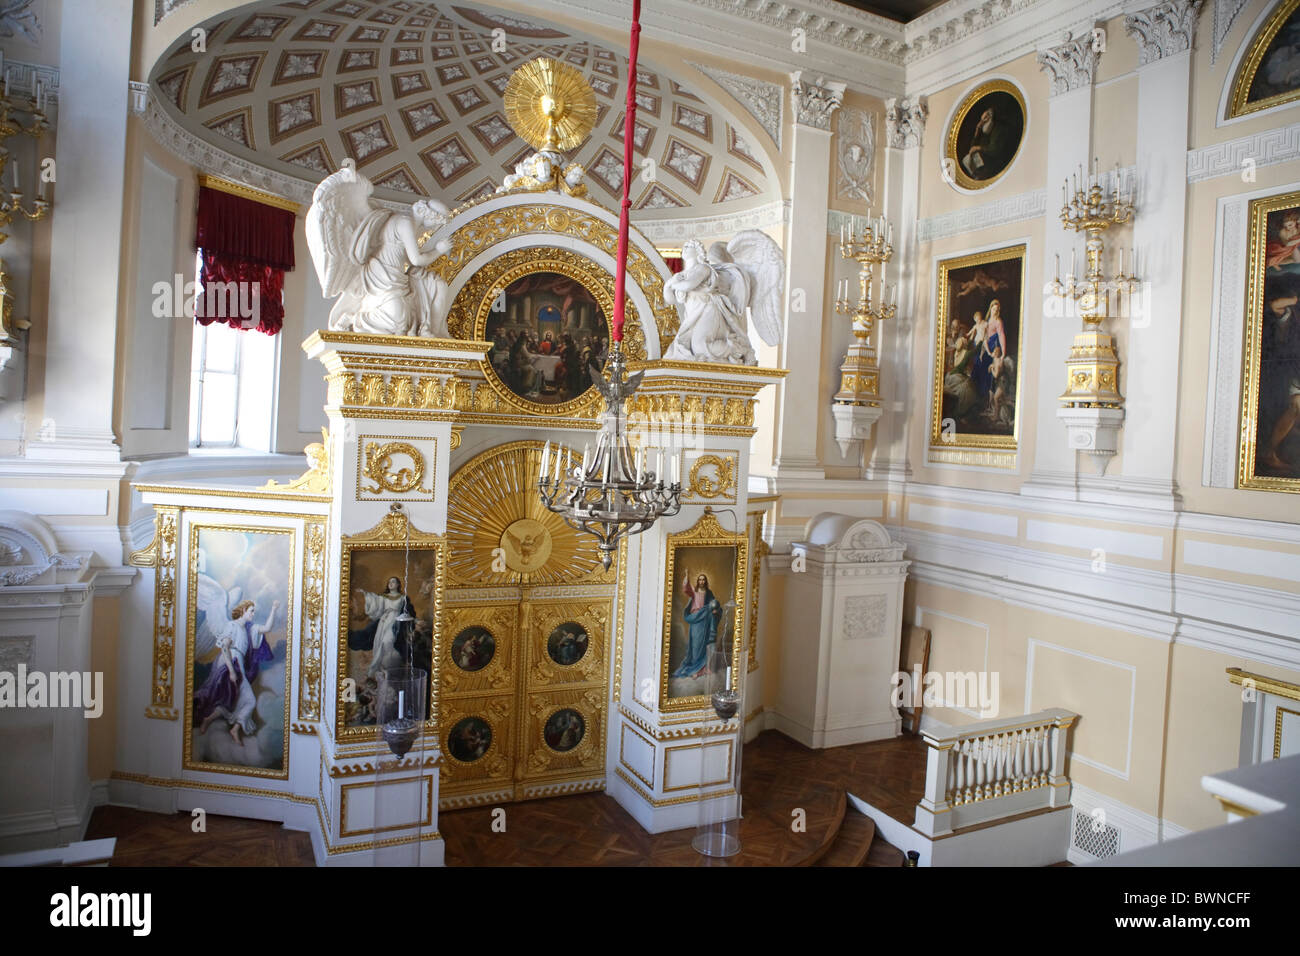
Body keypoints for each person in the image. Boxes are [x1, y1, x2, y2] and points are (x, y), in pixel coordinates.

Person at [195, 599, 278, 744]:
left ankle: (231, 727)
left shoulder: (249, 629)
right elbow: (225, 647)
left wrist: (274, 609)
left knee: (236, 699)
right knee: (231, 697)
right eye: (251, 611)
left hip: (237, 662)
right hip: (229, 662)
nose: (253, 614)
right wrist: (232, 671)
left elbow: (266, 628)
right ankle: (212, 722)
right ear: (243, 610)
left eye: (253, 611)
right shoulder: (231, 626)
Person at [1259, 280, 1300, 473]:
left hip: (1292, 368)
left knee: (1294, 407)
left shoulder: (1290, 317)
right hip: (1284, 370)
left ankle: (1274, 448)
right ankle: (1270, 452)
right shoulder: (1279, 313)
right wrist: (1293, 299)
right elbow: (1275, 305)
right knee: (1294, 406)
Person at [352, 576, 415, 679]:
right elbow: (374, 601)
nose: (391, 584)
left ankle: (389, 665)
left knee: (387, 641)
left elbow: (408, 611)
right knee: (379, 641)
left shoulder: (402, 598)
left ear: (398, 584)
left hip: (396, 621)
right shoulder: (384, 597)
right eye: (389, 582)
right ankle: (382, 667)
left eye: (393, 582)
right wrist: (364, 593)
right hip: (384, 621)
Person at [672, 571, 722, 678]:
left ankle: (703, 669)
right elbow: (686, 589)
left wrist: (715, 611)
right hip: (696, 620)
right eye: (700, 579)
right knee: (695, 646)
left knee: (704, 645)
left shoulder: (709, 593)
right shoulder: (694, 592)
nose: (702, 581)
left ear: (706, 581)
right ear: (698, 581)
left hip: (706, 621)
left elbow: (715, 605)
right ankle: (694, 669)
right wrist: (687, 576)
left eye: (704, 579)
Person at [961, 106, 1011, 180]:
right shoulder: (984, 129)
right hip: (986, 157)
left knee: (976, 158)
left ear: (991, 118)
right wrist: (977, 131)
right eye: (981, 119)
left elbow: (994, 150)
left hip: (996, 159)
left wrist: (979, 148)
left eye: (985, 119)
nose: (982, 122)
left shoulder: (998, 129)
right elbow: (972, 147)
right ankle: (977, 177)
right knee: (966, 159)